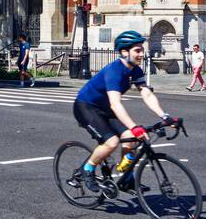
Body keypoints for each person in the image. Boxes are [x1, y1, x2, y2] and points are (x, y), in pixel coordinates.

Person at [73, 30, 178, 193]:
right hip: (86, 106)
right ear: (124, 52)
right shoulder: (114, 71)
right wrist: (135, 127)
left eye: (142, 50)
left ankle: (126, 178)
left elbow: (147, 93)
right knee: (112, 142)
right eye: (137, 50)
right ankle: (87, 169)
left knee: (130, 139)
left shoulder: (135, 70)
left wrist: (165, 116)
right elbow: (115, 104)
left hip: (105, 108)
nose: (141, 54)